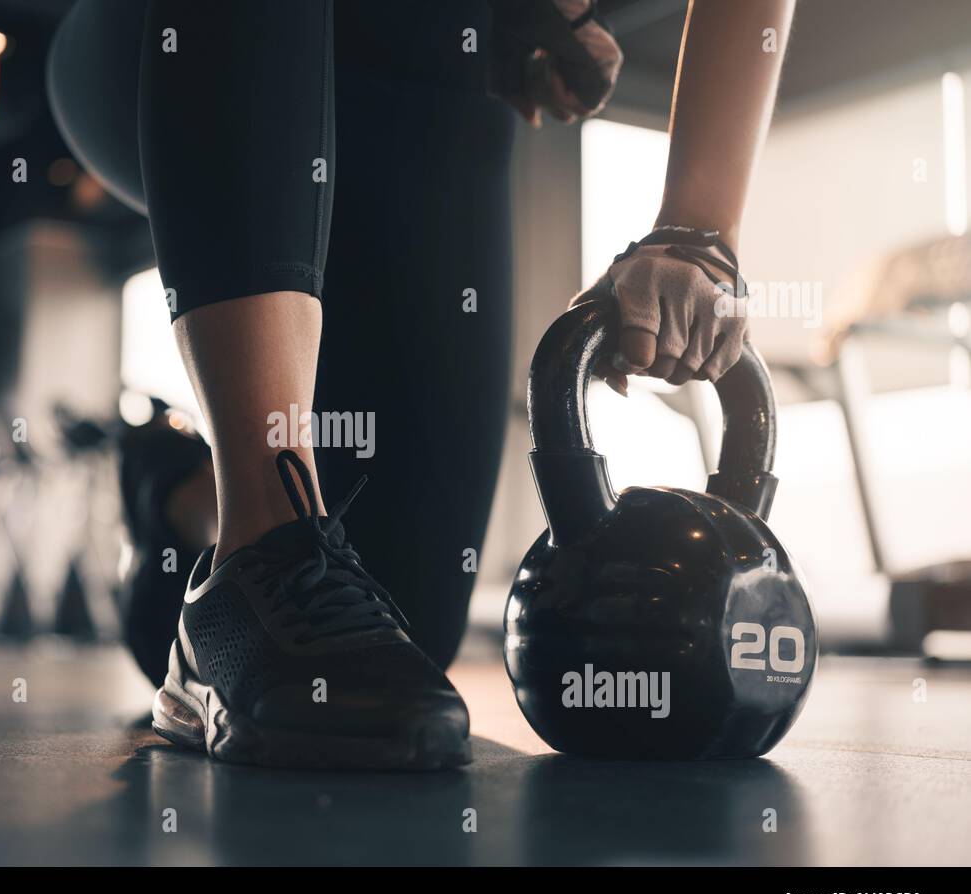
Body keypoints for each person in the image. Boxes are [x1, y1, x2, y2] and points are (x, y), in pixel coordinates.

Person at [48, 0, 795, 769]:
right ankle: (260, 525)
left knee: (389, 641)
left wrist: (698, 232)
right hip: (169, 40)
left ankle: (181, 497)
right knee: (286, 593)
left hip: (431, 68)